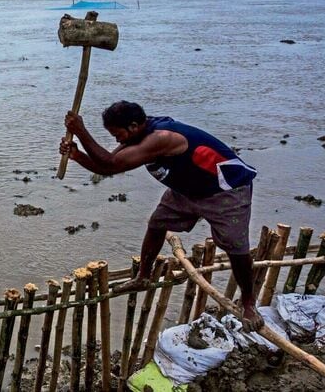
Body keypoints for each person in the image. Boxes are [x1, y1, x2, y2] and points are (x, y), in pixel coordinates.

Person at [59, 101, 263, 330]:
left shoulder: (161, 138)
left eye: (118, 135)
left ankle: (248, 302)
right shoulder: (136, 136)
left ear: (133, 126)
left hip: (226, 190)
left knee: (236, 246)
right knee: (156, 224)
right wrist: (77, 155)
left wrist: (80, 131)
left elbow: (112, 162)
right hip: (188, 189)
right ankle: (143, 277)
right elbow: (107, 167)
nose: (117, 141)